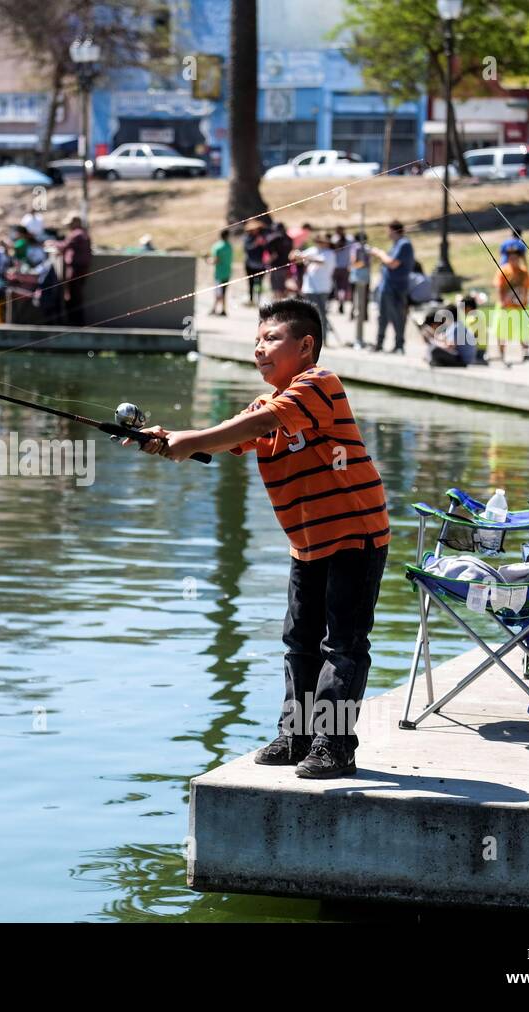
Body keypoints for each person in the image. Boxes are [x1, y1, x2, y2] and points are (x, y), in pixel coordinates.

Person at [123, 298, 389, 779]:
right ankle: (297, 736)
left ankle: (335, 746)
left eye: (270, 340)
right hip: (306, 542)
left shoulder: (317, 385)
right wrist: (169, 439)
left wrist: (196, 439)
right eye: (255, 342)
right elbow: (231, 437)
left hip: (355, 534)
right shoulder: (266, 406)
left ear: (306, 346)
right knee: (299, 641)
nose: (259, 350)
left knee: (342, 644)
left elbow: (262, 425)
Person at [370, 220, 413, 353]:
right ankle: (379, 344)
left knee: (398, 317)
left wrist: (379, 253)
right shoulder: (396, 244)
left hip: (396, 288)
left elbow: (393, 263)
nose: (387, 233)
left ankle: (399, 345)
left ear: (393, 230)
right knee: (382, 316)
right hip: (386, 287)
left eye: (388, 230)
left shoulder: (404, 244)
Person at [295, 233, 336, 343]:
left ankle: (323, 339)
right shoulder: (312, 250)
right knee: (308, 315)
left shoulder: (330, 253)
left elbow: (321, 261)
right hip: (309, 288)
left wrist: (306, 257)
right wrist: (296, 254)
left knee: (320, 315)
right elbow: (297, 258)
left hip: (323, 288)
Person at [494, 249, 529, 365]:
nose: (514, 260)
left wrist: (524, 300)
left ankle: (525, 352)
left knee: (523, 331)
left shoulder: (523, 272)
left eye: (516, 258)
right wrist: (502, 302)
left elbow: (526, 287)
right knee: (502, 331)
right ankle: (501, 354)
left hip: (519, 306)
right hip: (506, 306)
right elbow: (499, 287)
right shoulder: (503, 271)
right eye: (511, 258)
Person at [59, 214, 92, 326]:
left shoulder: (76, 234)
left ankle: (75, 323)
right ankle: (77, 322)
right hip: (81, 268)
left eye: (70, 224)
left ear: (76, 222)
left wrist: (50, 243)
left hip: (75, 269)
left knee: (73, 296)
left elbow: (63, 246)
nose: (68, 226)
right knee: (75, 296)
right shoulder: (83, 233)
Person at [420, 303, 478, 367]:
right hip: (463, 358)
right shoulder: (456, 326)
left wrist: (436, 343)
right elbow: (445, 339)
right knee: (434, 347)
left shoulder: (456, 327)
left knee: (435, 349)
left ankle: (436, 361)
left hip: (463, 360)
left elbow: (450, 346)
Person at [347, 231, 371, 338]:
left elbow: (354, 260)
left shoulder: (355, 247)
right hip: (366, 275)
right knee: (365, 298)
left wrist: (352, 266)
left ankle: (353, 315)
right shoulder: (368, 247)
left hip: (356, 276)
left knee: (354, 298)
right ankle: (364, 315)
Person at [208, 228, 233, 316]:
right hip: (227, 271)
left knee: (218, 292)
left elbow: (215, 260)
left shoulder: (217, 246)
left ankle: (215, 309)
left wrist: (208, 261)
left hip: (219, 273)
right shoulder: (229, 246)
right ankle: (222, 309)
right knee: (223, 292)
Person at [265, 222, 293, 296]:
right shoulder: (289, 239)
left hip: (276, 266)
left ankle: (278, 303)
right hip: (286, 265)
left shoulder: (274, 238)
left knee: (276, 288)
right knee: (282, 286)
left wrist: (268, 261)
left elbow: (272, 253)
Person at [242, 221, 266, 305]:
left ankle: (258, 299)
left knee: (259, 283)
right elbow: (247, 249)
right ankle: (251, 299)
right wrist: (256, 244)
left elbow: (267, 249)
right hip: (250, 264)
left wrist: (262, 244)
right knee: (251, 282)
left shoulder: (263, 237)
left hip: (261, 264)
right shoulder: (247, 238)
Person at [331, 227, 351, 313]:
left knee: (336, 286)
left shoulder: (334, 240)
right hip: (345, 267)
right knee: (343, 287)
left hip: (335, 267)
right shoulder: (349, 239)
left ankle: (338, 300)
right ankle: (341, 302)